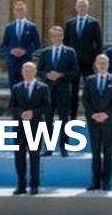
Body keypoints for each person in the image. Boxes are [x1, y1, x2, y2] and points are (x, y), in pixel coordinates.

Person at [36, 26, 78, 157]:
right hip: (48, 91)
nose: (57, 38)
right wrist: (47, 75)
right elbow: (39, 71)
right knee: (47, 120)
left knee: (64, 120)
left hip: (63, 91)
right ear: (51, 37)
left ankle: (64, 147)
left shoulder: (70, 52)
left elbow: (75, 72)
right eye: (54, 36)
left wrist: (61, 75)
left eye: (59, 35)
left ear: (63, 36)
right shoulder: (45, 52)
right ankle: (48, 148)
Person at [83, 53, 112, 191]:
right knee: (95, 152)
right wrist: (93, 114)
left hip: (109, 121)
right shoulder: (89, 80)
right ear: (95, 64)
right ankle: (95, 181)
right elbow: (85, 99)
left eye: (104, 63)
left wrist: (107, 114)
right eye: (99, 63)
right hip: (94, 121)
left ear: (108, 64)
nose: (102, 65)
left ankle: (106, 181)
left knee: (107, 152)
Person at [9, 61, 48, 195]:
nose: (28, 73)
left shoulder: (43, 87)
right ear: (22, 72)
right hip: (19, 127)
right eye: (25, 71)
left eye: (30, 71)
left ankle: (34, 185)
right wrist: (21, 113)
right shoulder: (16, 87)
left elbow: (47, 106)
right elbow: (12, 106)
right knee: (19, 158)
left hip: (35, 126)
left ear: (35, 72)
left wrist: (33, 113)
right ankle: (21, 185)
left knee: (34, 157)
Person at [64, 0, 103, 119]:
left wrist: (97, 61)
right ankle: (73, 116)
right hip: (73, 63)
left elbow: (98, 43)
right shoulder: (70, 23)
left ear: (87, 8)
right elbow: (66, 42)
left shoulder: (94, 23)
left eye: (84, 6)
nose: (82, 8)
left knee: (90, 89)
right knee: (73, 90)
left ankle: (91, 114)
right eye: (80, 6)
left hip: (88, 62)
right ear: (76, 8)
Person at [2, 2, 41, 86]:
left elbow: (37, 44)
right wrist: (11, 51)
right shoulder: (9, 27)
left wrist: (25, 51)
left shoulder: (32, 27)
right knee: (13, 84)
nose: (19, 12)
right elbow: (4, 45)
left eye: (21, 10)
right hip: (12, 61)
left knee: (26, 83)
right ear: (14, 11)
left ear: (25, 11)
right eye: (17, 10)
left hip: (26, 60)